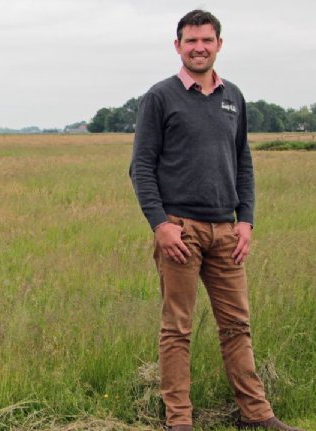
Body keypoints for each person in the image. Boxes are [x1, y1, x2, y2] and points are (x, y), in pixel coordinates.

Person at [129, 10, 303, 431]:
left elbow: (243, 161)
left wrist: (246, 220)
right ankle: (180, 421)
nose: (199, 47)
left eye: (207, 40)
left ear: (219, 44)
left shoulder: (233, 97)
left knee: (237, 326)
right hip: (180, 231)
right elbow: (141, 167)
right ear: (178, 46)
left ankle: (256, 415)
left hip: (227, 231)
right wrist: (161, 224)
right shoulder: (160, 97)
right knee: (177, 329)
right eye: (190, 41)